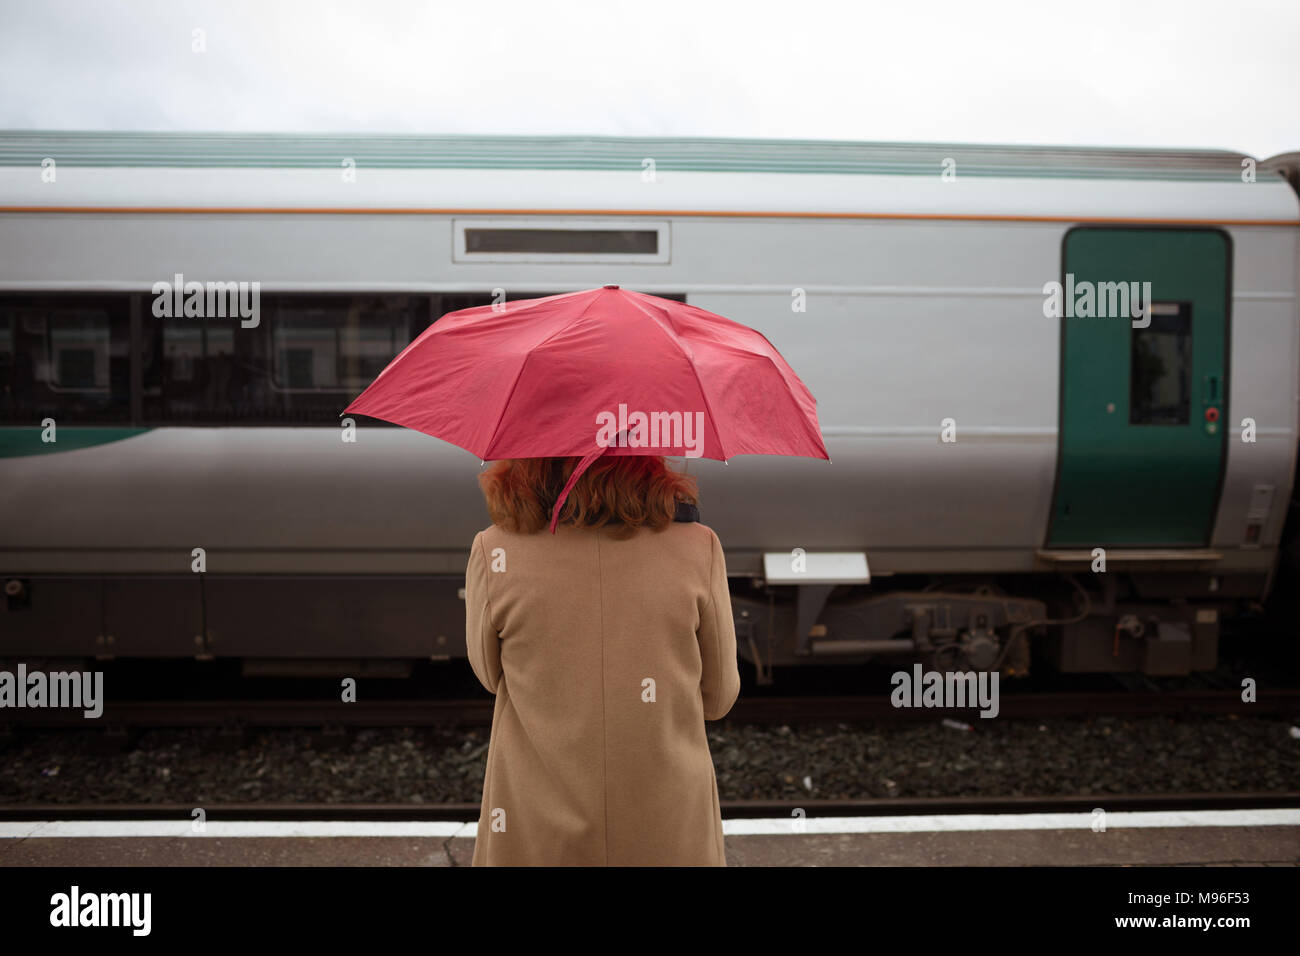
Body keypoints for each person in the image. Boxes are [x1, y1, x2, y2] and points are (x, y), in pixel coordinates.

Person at [464, 454, 741, 866]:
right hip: (665, 825)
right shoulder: (699, 545)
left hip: (539, 827)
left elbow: (488, 674)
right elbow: (719, 698)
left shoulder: (495, 549)